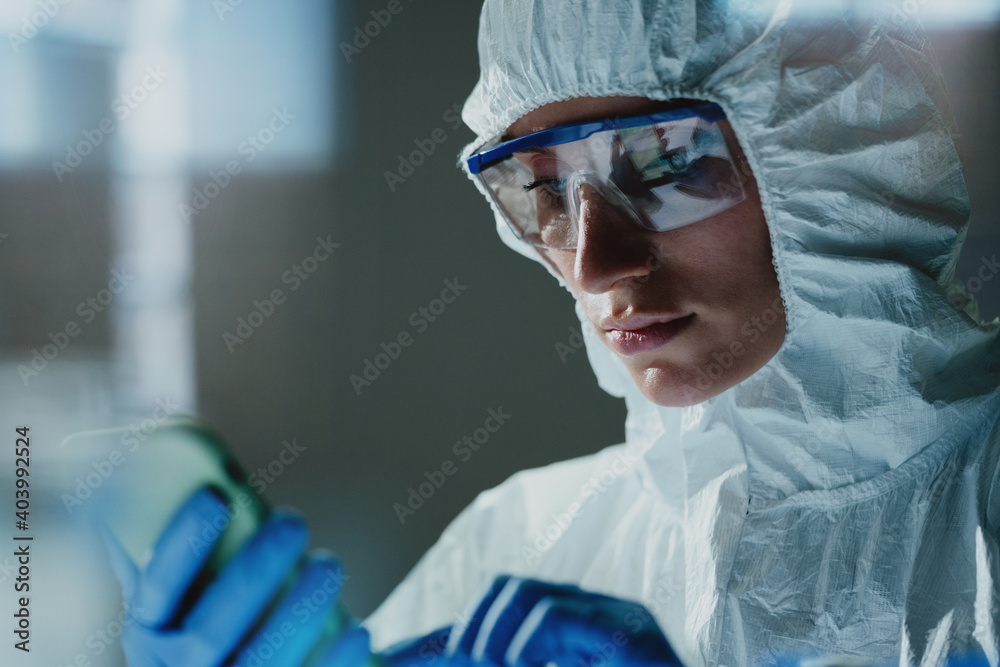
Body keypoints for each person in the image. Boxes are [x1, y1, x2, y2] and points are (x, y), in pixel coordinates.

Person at [105, 0, 1000, 665]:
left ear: (833, 144)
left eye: (666, 162)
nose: (593, 262)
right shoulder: (525, 540)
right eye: (541, 189)